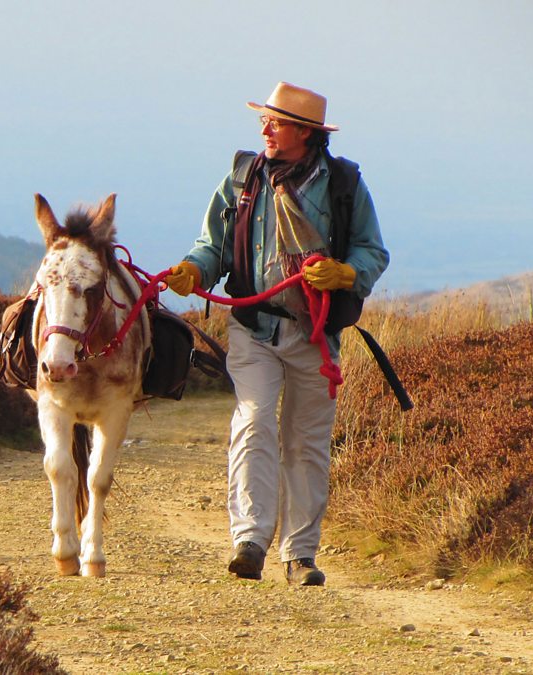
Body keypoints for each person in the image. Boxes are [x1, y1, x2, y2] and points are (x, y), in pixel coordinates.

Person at [165, 82, 389, 586]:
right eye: (265, 120)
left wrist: (346, 274)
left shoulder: (345, 186)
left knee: (306, 442)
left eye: (277, 121)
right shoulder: (241, 180)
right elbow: (212, 247)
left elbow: (372, 251)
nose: (265, 128)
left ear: (306, 132)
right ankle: (250, 540)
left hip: (315, 335)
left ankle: (300, 555)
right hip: (253, 328)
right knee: (254, 421)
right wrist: (192, 272)